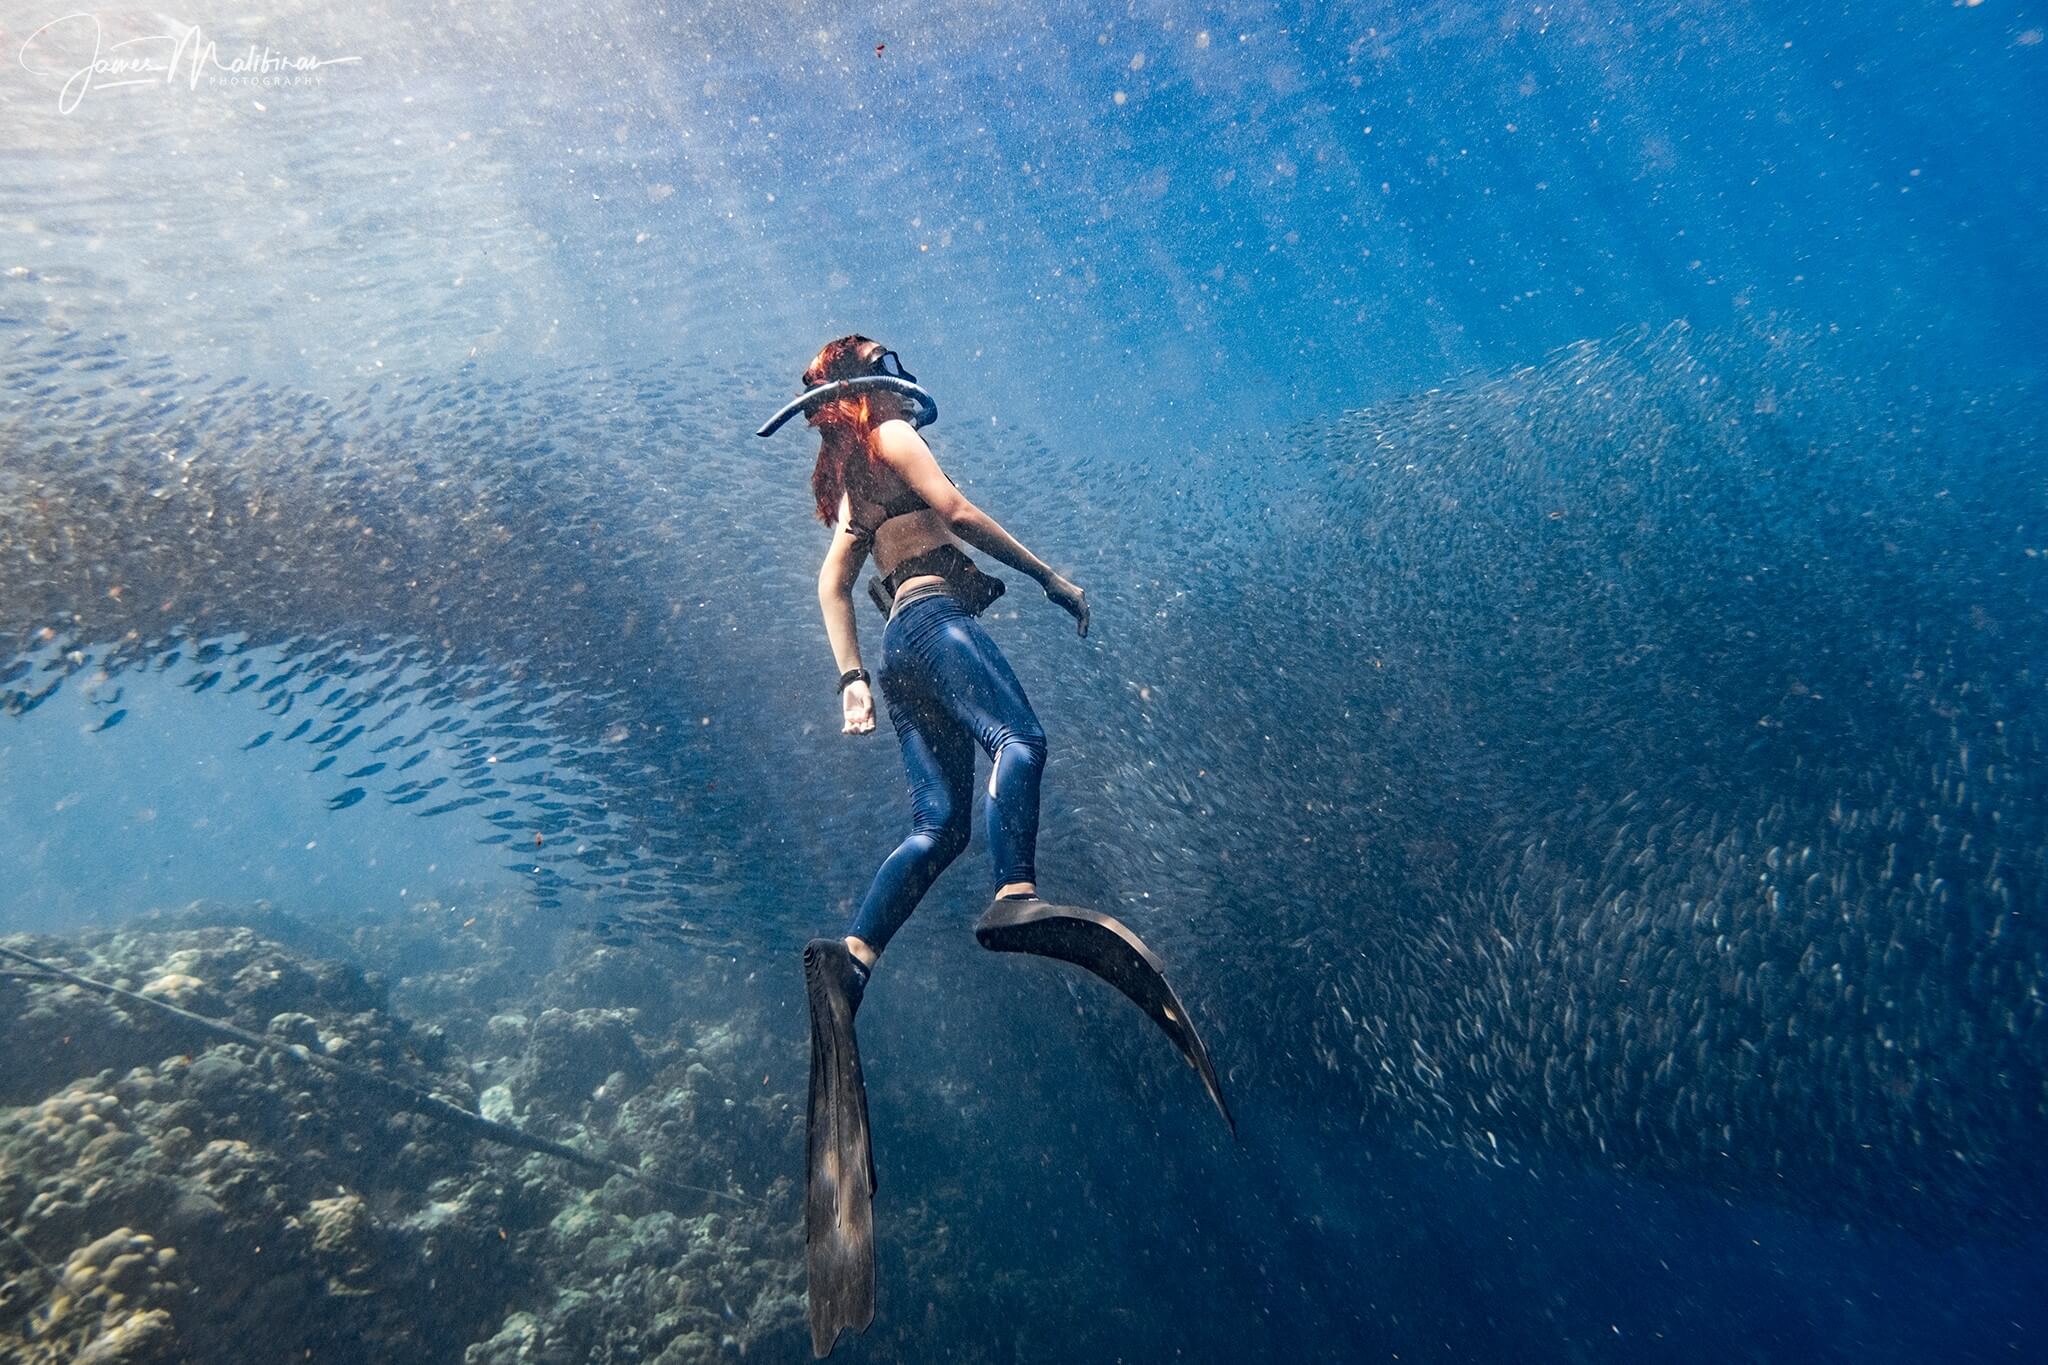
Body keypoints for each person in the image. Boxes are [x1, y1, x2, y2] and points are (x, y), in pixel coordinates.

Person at [770, 335, 1230, 1359]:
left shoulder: (848, 479)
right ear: (871, 382)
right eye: (885, 372)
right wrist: (1055, 578)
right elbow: (965, 513)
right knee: (1020, 740)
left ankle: (849, 962)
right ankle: (1013, 894)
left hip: (896, 652)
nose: (895, 388)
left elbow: (829, 585)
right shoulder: (889, 437)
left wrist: (851, 679)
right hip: (936, 626)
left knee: (936, 825)